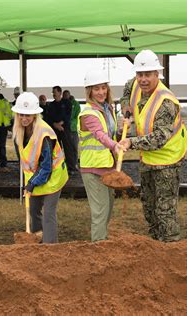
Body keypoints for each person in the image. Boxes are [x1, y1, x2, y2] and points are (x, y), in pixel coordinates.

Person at [119, 49, 187, 242]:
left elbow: (160, 137)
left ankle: (170, 246)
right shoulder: (134, 85)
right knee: (149, 207)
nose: (143, 79)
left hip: (168, 159)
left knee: (164, 209)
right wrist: (125, 106)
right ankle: (155, 245)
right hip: (147, 159)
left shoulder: (166, 101)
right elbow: (126, 90)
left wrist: (131, 142)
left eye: (148, 75)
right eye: (140, 74)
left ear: (157, 75)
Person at [12, 92, 68, 243]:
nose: (24, 118)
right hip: (35, 177)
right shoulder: (19, 131)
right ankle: (36, 241)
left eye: (28, 115)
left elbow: (46, 166)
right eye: (21, 115)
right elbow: (26, 159)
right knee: (33, 209)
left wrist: (31, 184)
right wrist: (29, 182)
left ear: (35, 115)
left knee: (49, 212)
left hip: (53, 176)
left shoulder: (44, 133)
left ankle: (50, 248)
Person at [79, 69, 127, 242]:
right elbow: (100, 135)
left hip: (108, 167)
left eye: (103, 88)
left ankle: (102, 242)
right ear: (89, 91)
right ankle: (98, 248)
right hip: (92, 169)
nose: (101, 92)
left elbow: (111, 134)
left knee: (108, 209)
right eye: (96, 89)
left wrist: (121, 132)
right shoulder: (88, 113)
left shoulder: (107, 110)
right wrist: (115, 145)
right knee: (100, 211)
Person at [45, 86, 77, 174]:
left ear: (60, 92)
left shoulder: (67, 103)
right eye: (52, 92)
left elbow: (69, 115)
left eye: (54, 92)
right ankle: (56, 167)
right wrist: (55, 124)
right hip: (54, 129)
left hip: (65, 128)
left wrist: (61, 123)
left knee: (68, 147)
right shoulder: (51, 105)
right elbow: (48, 118)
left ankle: (71, 168)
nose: (53, 94)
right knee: (55, 148)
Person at [63, 90, 81, 169]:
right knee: (67, 148)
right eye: (64, 95)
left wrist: (69, 120)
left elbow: (76, 114)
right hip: (65, 129)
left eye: (66, 95)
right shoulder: (62, 103)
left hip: (73, 129)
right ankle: (69, 164)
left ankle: (75, 163)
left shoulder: (75, 104)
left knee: (74, 147)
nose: (65, 96)